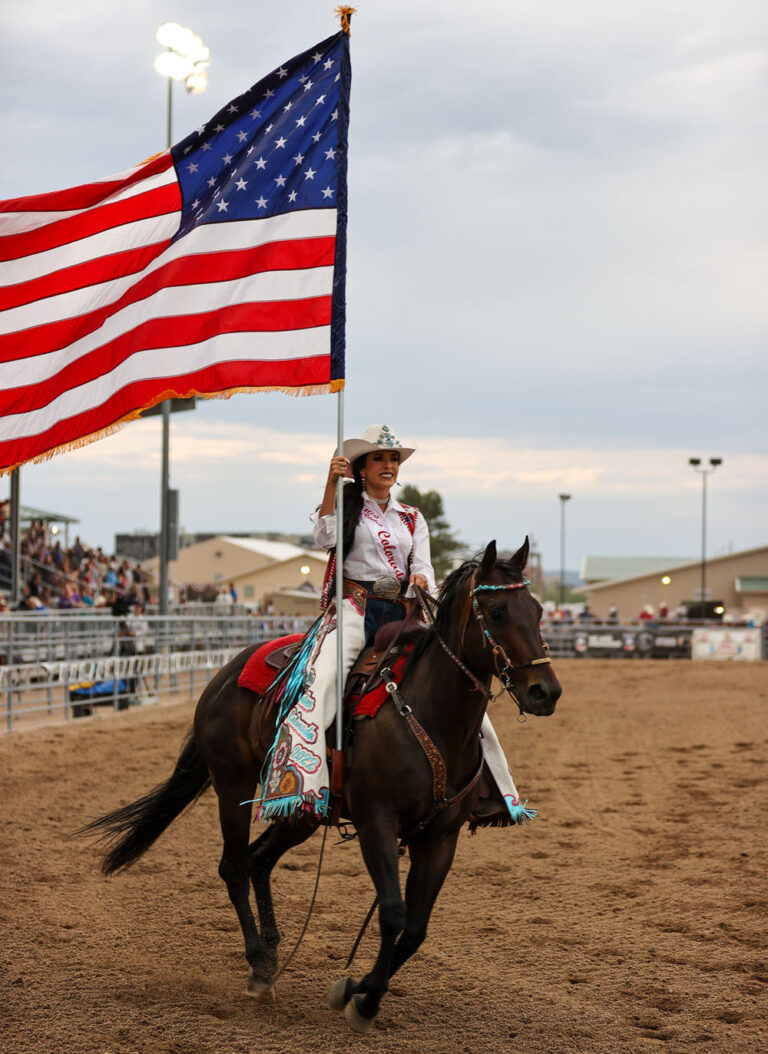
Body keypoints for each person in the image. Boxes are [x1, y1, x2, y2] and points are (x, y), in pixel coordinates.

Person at [258, 424, 523, 827]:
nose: (388, 465)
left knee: (461, 681)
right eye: (379, 459)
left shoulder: (412, 517)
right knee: (323, 680)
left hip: (402, 611)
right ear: (362, 468)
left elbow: (424, 566)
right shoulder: (348, 507)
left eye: (393, 459)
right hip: (355, 608)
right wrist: (331, 484)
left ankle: (492, 790)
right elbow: (323, 537)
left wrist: (420, 581)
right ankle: (300, 783)